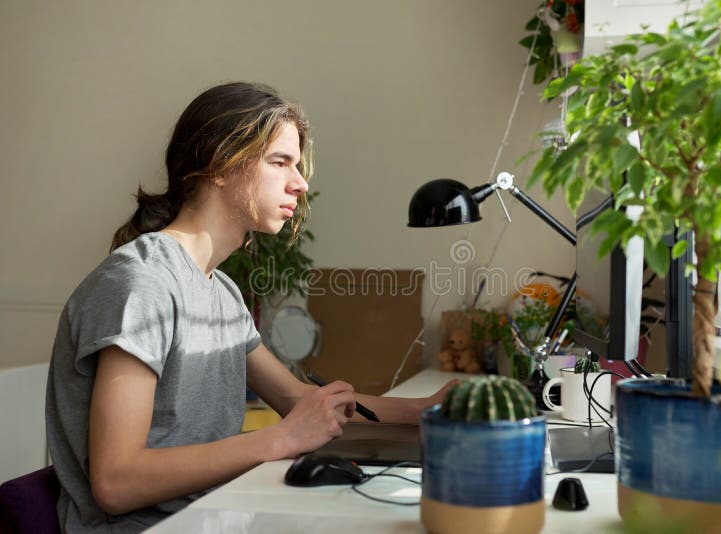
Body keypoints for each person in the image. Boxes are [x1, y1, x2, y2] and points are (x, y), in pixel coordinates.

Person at [45, 82, 453, 533]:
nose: (300, 183)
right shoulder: (142, 284)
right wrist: (280, 439)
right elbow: (116, 482)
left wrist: (426, 410)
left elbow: (296, 400)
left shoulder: (222, 292)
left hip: (215, 518)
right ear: (220, 164)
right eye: (280, 162)